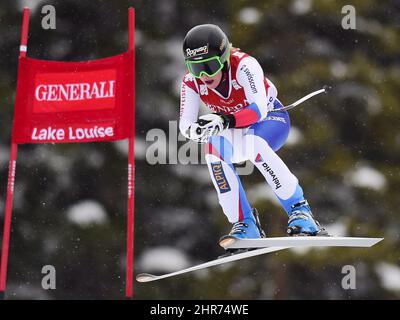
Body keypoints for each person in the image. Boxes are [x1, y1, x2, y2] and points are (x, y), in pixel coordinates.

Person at [179, 24, 327, 246]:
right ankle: (244, 223)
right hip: (234, 128)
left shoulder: (244, 66)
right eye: (195, 67)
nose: (203, 76)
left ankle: (300, 211)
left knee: (253, 143)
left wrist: (224, 120)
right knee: (213, 151)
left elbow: (259, 109)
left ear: (225, 57)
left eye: (210, 66)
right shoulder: (191, 82)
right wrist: (197, 130)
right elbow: (185, 124)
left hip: (270, 121)